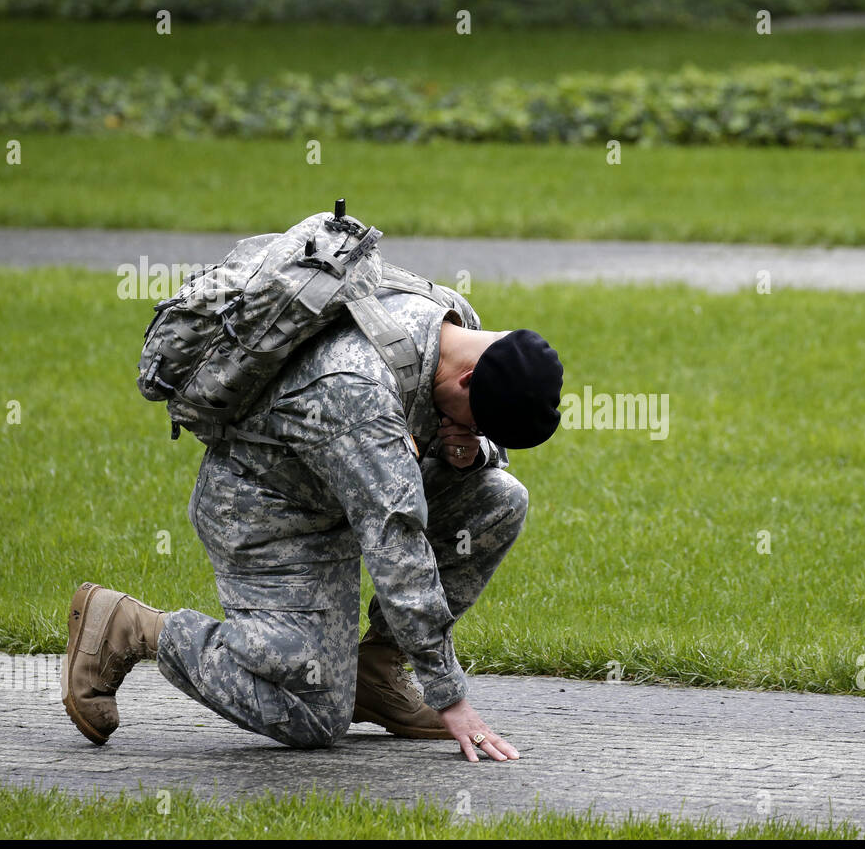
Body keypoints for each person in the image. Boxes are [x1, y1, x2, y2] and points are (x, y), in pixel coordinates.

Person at [62, 276, 563, 762]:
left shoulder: (456, 325)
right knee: (312, 715)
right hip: (269, 510)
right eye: (474, 420)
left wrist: (471, 452)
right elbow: (397, 546)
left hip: (344, 491)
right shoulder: (355, 387)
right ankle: (133, 627)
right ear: (471, 375)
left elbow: (429, 463)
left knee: (498, 497)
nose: (471, 429)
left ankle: (378, 670)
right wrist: (449, 696)